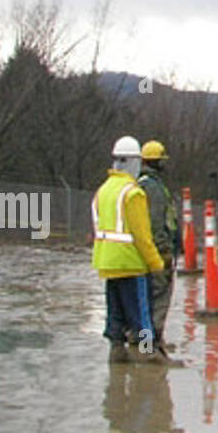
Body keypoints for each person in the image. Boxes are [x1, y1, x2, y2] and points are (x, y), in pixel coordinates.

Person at [92, 136, 166, 363]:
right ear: (135, 162)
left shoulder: (103, 190)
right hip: (131, 262)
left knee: (115, 309)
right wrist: (156, 264)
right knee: (140, 313)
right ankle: (148, 352)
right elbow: (142, 236)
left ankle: (116, 349)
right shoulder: (132, 193)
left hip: (107, 262)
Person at [137, 140, 181, 356]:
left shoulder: (143, 183)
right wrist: (164, 251)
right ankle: (150, 345)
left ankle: (144, 343)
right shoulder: (153, 188)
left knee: (146, 299)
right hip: (157, 252)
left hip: (145, 252)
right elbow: (156, 223)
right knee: (159, 298)